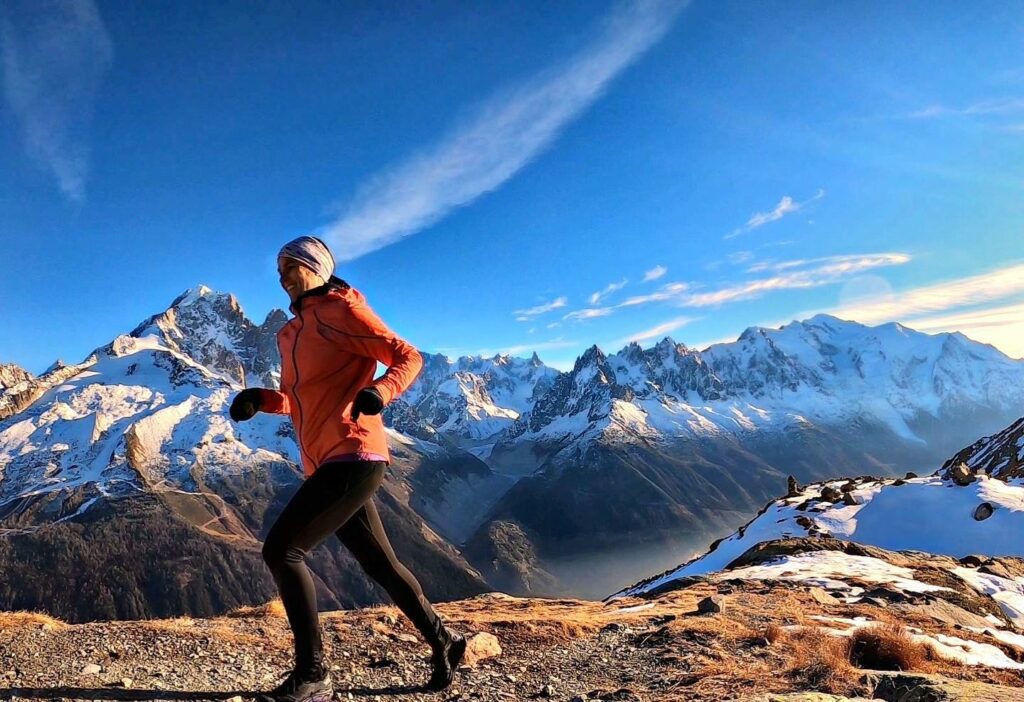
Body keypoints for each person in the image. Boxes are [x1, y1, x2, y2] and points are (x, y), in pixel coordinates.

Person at [229, 235, 465, 702]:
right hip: (324, 462)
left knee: (282, 551)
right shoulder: (290, 334)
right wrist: (262, 400)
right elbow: (300, 399)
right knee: (380, 564)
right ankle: (444, 640)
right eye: (278, 271)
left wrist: (381, 391)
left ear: (316, 268)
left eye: (291, 266)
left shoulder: (343, 310)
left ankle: (313, 675)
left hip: (355, 453)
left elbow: (408, 355)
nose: (282, 277)